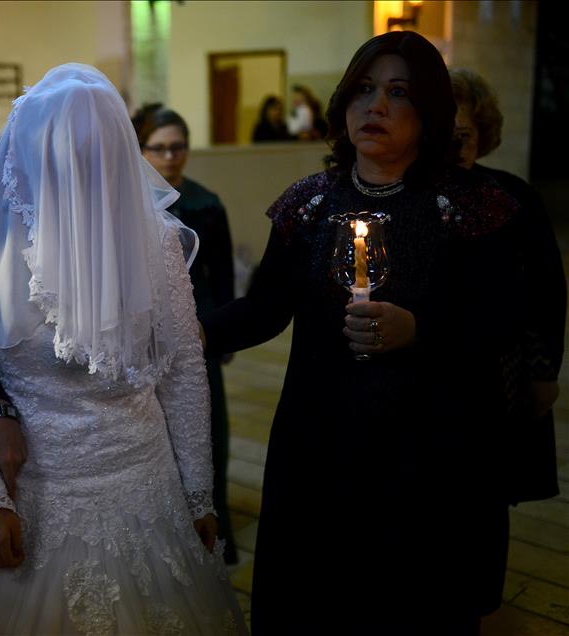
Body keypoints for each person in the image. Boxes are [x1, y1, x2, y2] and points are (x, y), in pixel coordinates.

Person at [202, 32, 523, 633]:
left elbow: (502, 318)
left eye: (398, 92)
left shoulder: (470, 206)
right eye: (363, 90)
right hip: (321, 441)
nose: (374, 106)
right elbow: (266, 307)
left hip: (428, 448)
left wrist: (419, 331)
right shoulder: (308, 204)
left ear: (429, 110)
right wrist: (193, 335)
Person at [0, 64, 246, 635]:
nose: (78, 169)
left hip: (147, 488)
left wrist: (199, 492)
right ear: (30, 154)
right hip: (37, 493)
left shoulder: (157, 242)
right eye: (61, 153)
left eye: (93, 154)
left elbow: (184, 372)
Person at [450, 68, 565, 504]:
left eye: (463, 134)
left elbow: (545, 289)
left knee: (489, 489)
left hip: (501, 372)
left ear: (482, 135)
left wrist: (543, 371)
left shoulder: (512, 195)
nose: (453, 146)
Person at [133, 103, 239, 566]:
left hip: (198, 326)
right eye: (159, 148)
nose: (171, 157)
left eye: (178, 147)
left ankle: (214, 525)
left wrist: (217, 332)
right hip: (145, 334)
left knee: (205, 426)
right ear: (140, 150)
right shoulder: (128, 204)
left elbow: (221, 275)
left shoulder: (205, 202)